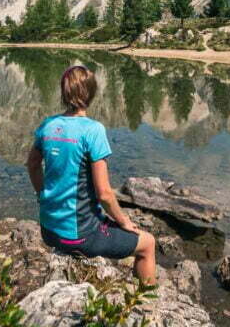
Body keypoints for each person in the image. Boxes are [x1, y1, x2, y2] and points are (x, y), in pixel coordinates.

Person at [26, 65, 156, 284]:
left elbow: (32, 165)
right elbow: (104, 193)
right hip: (80, 236)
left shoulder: (48, 126)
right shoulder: (93, 130)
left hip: (48, 231)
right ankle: (147, 305)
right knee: (148, 244)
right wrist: (124, 221)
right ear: (91, 93)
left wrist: (42, 195)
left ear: (64, 92)